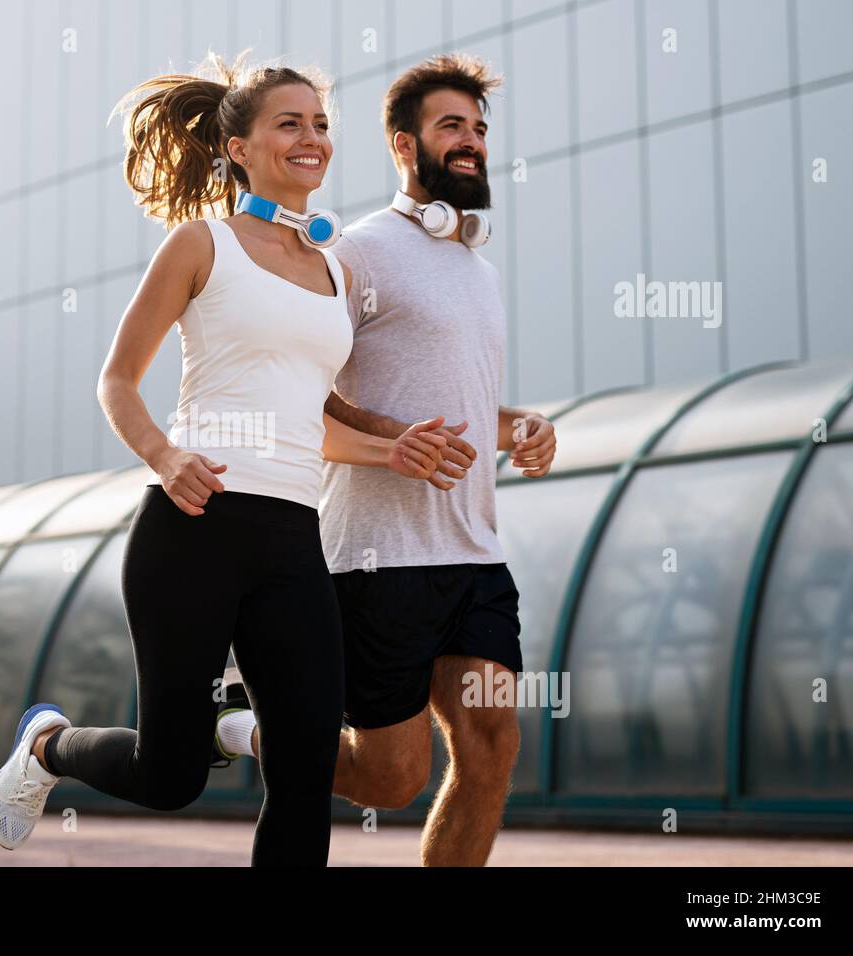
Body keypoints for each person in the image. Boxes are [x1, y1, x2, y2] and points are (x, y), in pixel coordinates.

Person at [0, 51, 452, 867]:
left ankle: (225, 733)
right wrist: (167, 458)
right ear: (239, 147)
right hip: (192, 526)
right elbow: (117, 381)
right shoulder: (201, 244)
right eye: (288, 124)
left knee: (306, 771)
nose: (311, 139)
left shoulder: (336, 273)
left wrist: (390, 451)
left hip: (292, 542)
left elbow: (309, 424)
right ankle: (47, 749)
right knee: (169, 777)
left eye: (319, 124)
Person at [211, 52, 558, 867]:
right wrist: (387, 435)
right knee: (392, 778)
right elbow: (299, 384)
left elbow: (461, 406)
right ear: (405, 146)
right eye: (451, 127)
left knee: (492, 748)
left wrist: (524, 426)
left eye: (478, 129)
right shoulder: (356, 253)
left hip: (473, 554)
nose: (471, 142)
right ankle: (252, 731)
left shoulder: (481, 272)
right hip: (377, 560)